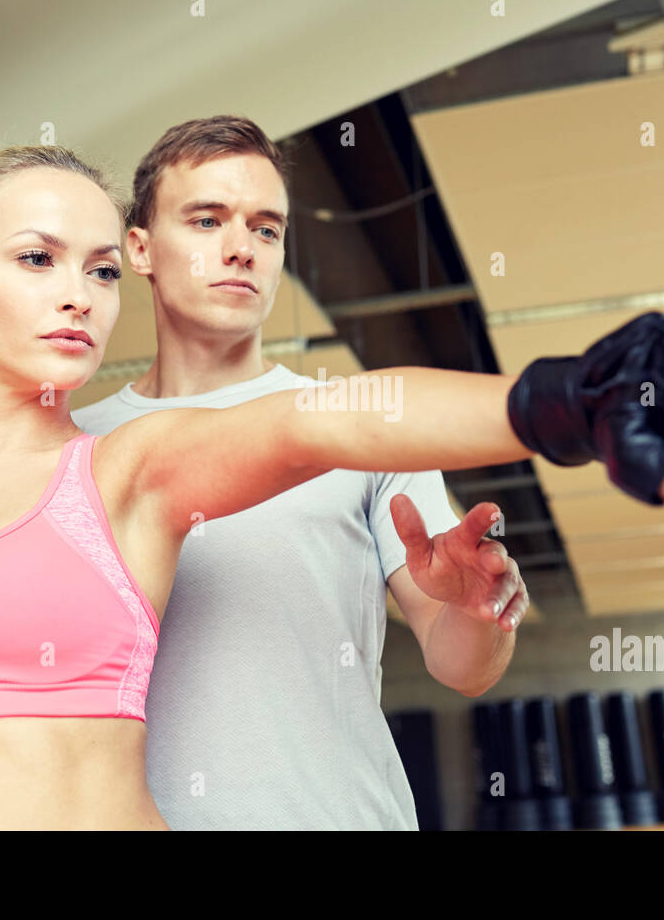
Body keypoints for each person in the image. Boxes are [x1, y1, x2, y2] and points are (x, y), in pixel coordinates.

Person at [0, 143, 664, 831]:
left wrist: (565, 399)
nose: (78, 294)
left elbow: (327, 419)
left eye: (98, 271)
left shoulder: (125, 468)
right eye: (37, 258)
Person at [70, 116, 530, 829]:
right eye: (206, 220)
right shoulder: (74, 448)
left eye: (265, 228)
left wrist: (478, 613)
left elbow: (464, 667)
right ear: (140, 247)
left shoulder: (362, 428)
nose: (240, 249)